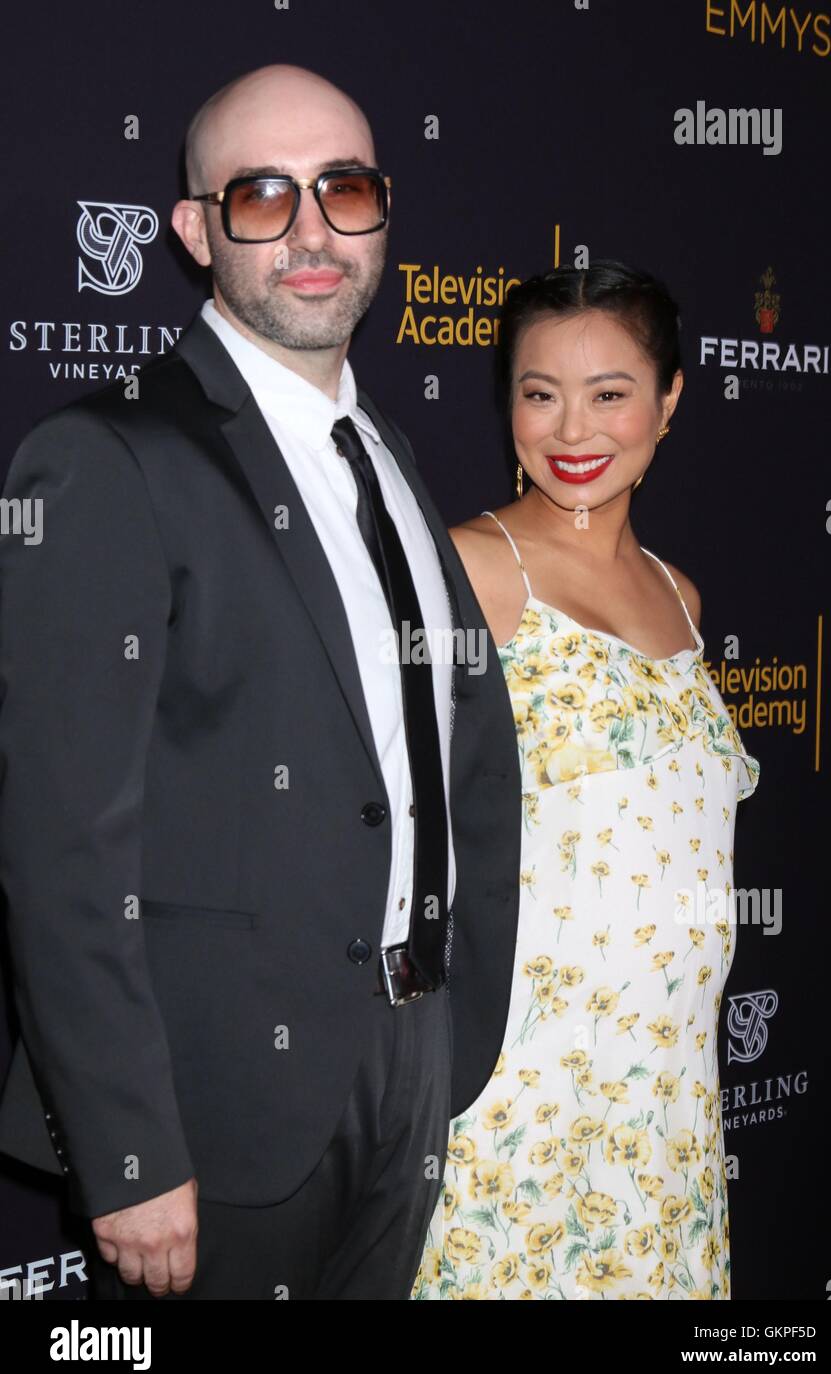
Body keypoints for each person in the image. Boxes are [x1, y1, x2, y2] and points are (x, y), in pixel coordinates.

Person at [0, 63, 522, 1300]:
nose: (307, 231)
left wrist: (440, 1042)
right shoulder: (106, 456)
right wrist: (128, 1152)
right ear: (192, 229)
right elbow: (62, 844)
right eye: (259, 195)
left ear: (381, 214)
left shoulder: (389, 453)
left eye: (341, 189)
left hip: (410, 1057)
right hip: (219, 1100)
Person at [412, 261, 760, 1301]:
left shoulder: (678, 593)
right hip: (523, 1103)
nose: (571, 428)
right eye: (538, 392)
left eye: (608, 392)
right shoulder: (471, 571)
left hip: (667, 1105)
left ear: (669, 400)